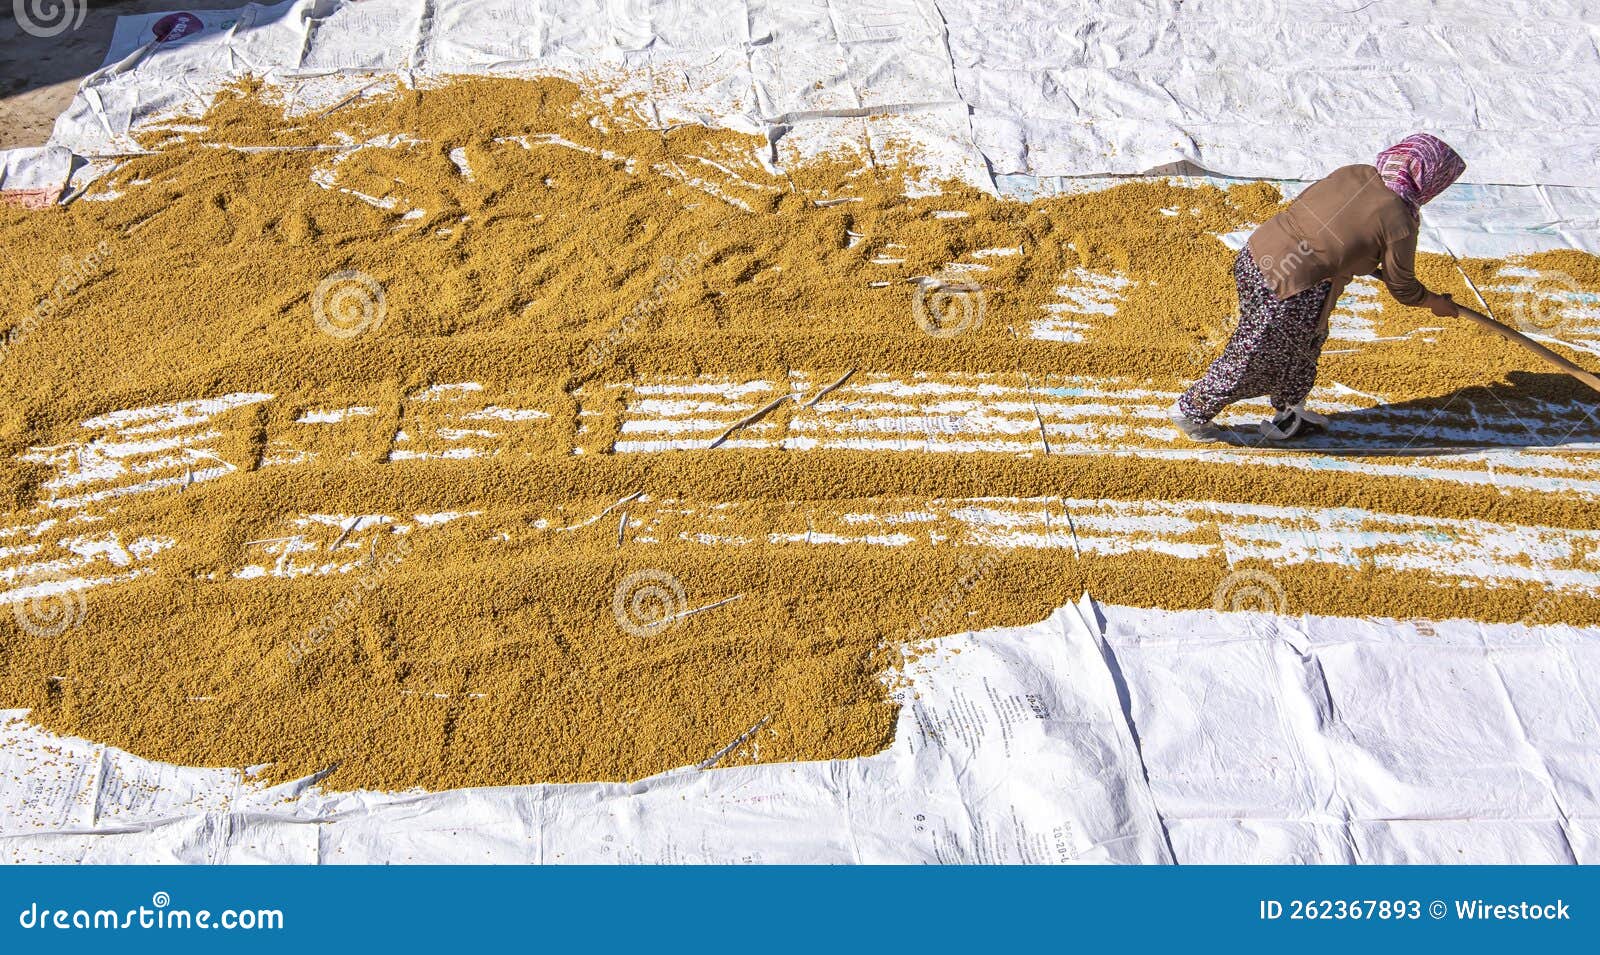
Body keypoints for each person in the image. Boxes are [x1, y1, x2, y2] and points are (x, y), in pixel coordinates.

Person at [1170, 133, 1467, 441]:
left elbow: (1309, 208)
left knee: (1305, 345)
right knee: (1257, 353)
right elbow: (1403, 286)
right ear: (1430, 180)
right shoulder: (1399, 218)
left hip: (1256, 255)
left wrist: (1350, 251)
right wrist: (1435, 303)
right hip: (1291, 288)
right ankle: (1191, 410)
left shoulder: (1356, 172)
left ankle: (1290, 412)